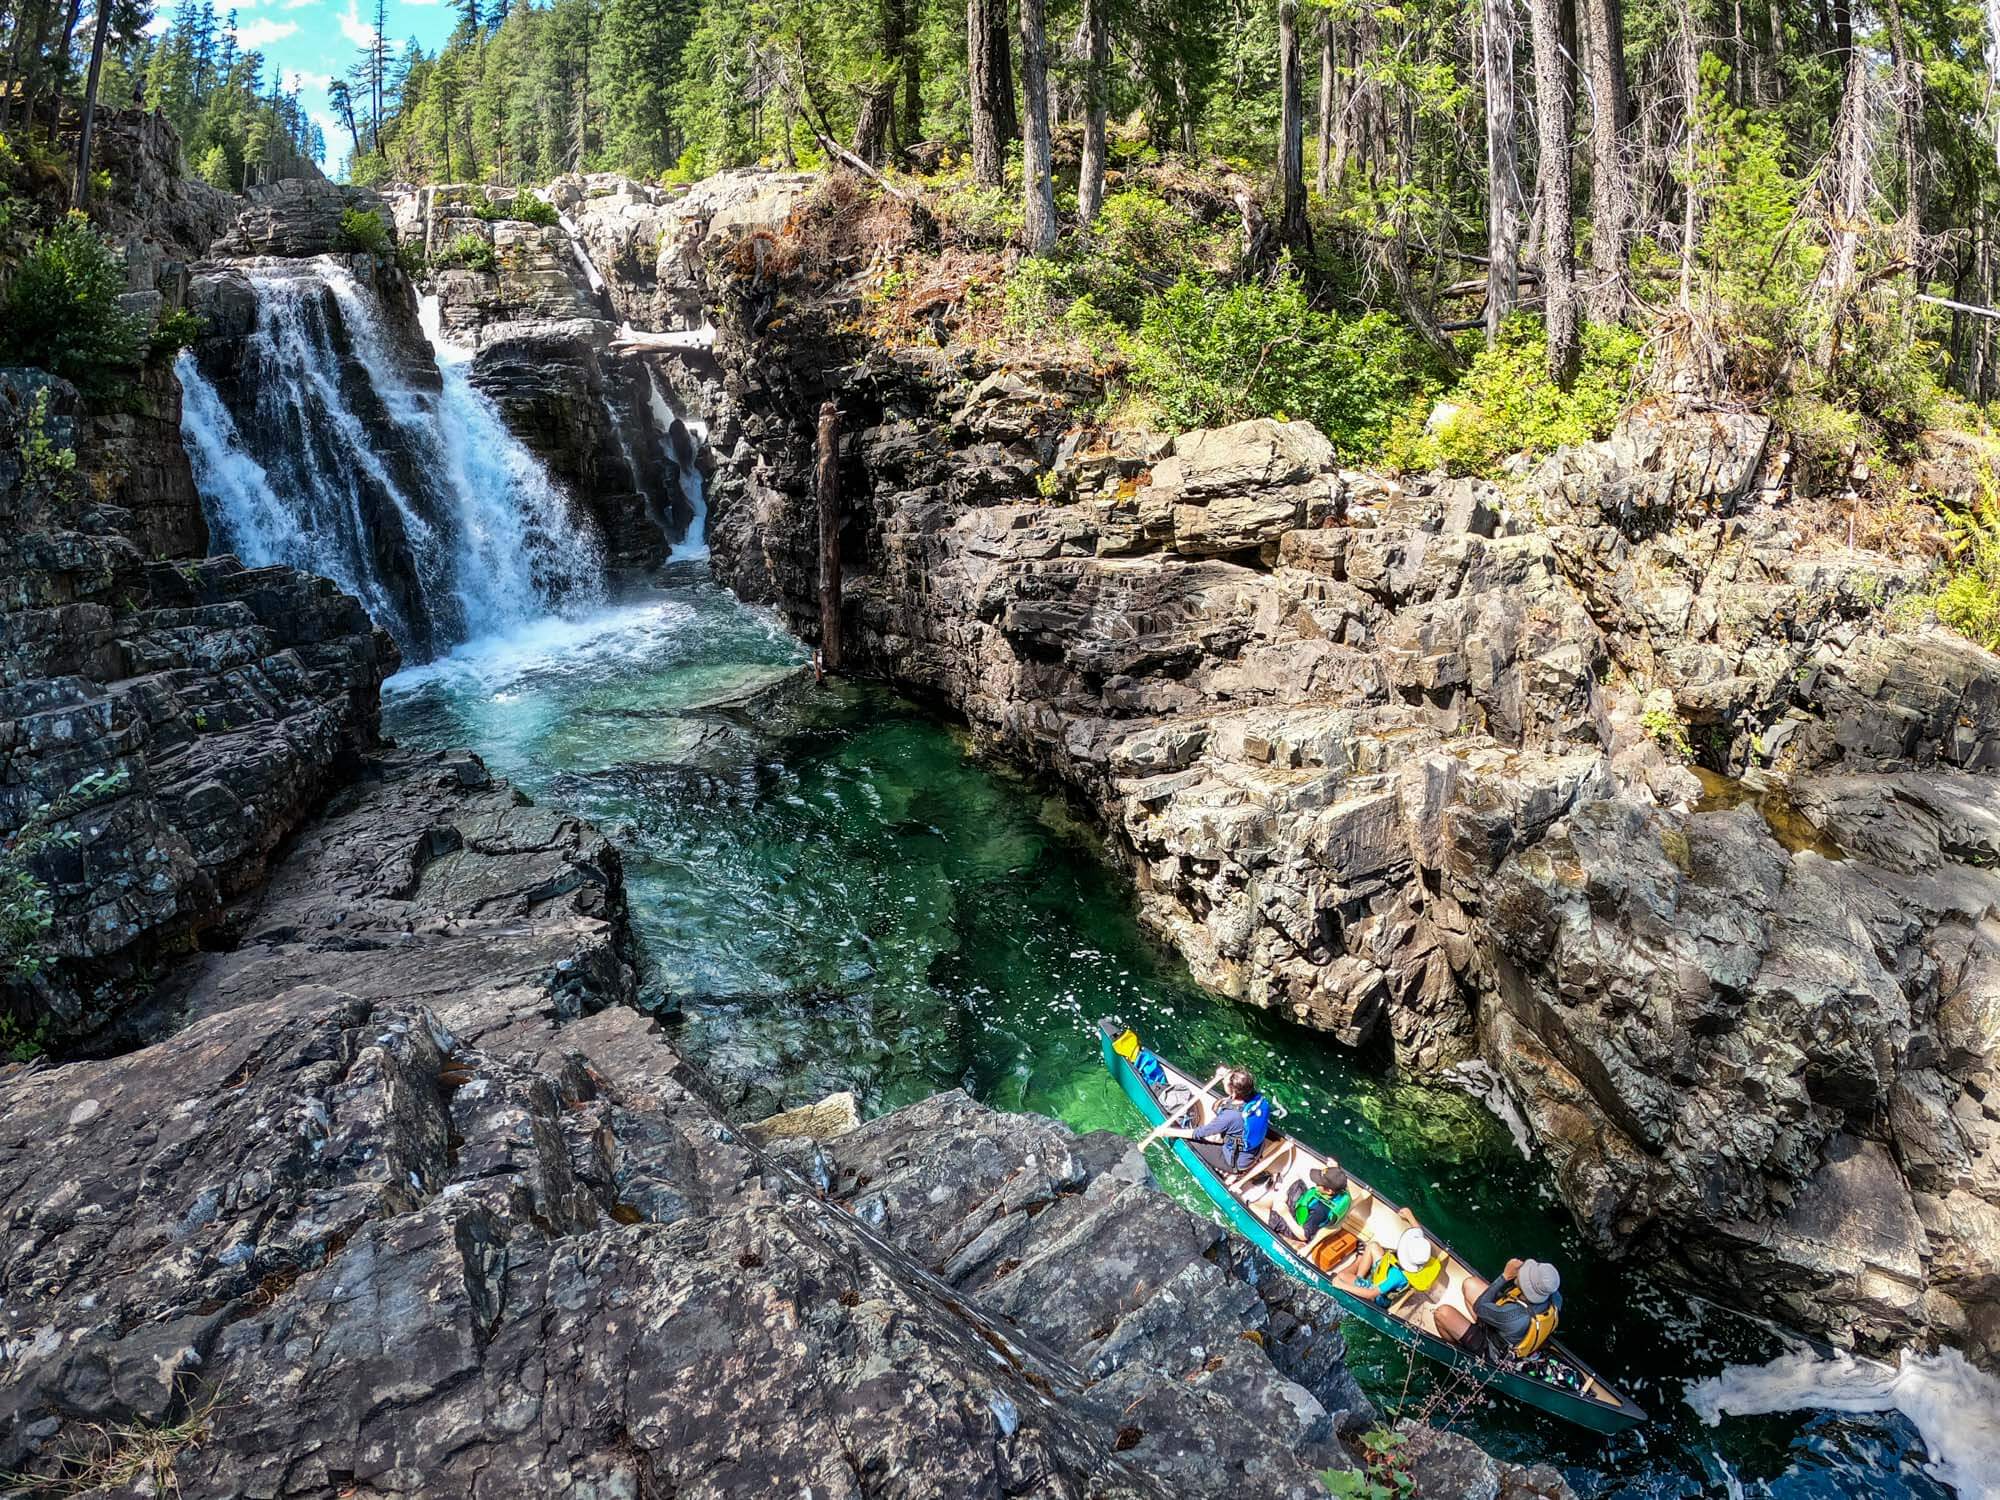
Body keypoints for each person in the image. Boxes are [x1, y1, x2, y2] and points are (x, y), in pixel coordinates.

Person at [1434, 1257, 1561, 1363]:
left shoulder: (1514, 1315)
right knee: (1470, 1284)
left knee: (1442, 1313)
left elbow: (1479, 1307)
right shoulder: (1555, 1297)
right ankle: (1470, 1331)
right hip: (1507, 1331)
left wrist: (1505, 1276)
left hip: (1493, 1350)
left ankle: (1457, 1350)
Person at [1164, 1068, 1271, 1174]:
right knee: (1218, 1106)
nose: (1223, 1081)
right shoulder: (1257, 1099)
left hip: (1237, 1161)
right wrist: (1224, 1075)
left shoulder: (1230, 1116)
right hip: (1257, 1148)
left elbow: (1199, 1133)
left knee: (1186, 1139)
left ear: (1233, 1094)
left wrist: (1169, 1132)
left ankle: (1221, 1171)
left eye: (1225, 1081)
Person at [1336, 1223, 1442, 1304]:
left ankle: (1358, 1263)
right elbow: (1418, 1231)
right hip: (1385, 1270)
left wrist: (1341, 1285)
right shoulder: (1420, 1253)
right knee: (1373, 1246)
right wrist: (1409, 1215)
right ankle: (1360, 1276)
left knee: (1341, 1276)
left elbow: (1371, 1294)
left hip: (1378, 1296)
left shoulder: (1396, 1276)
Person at [1269, 1164, 1350, 1242]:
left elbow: (1304, 1236)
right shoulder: (1343, 1193)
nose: (1316, 1183)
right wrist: (1334, 1170)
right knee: (1296, 1180)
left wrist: (1285, 1213)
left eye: (1318, 1183)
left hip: (1300, 1228)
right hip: (1307, 1207)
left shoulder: (1319, 1211)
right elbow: (1339, 1180)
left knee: (1264, 1212)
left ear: (1329, 1191)